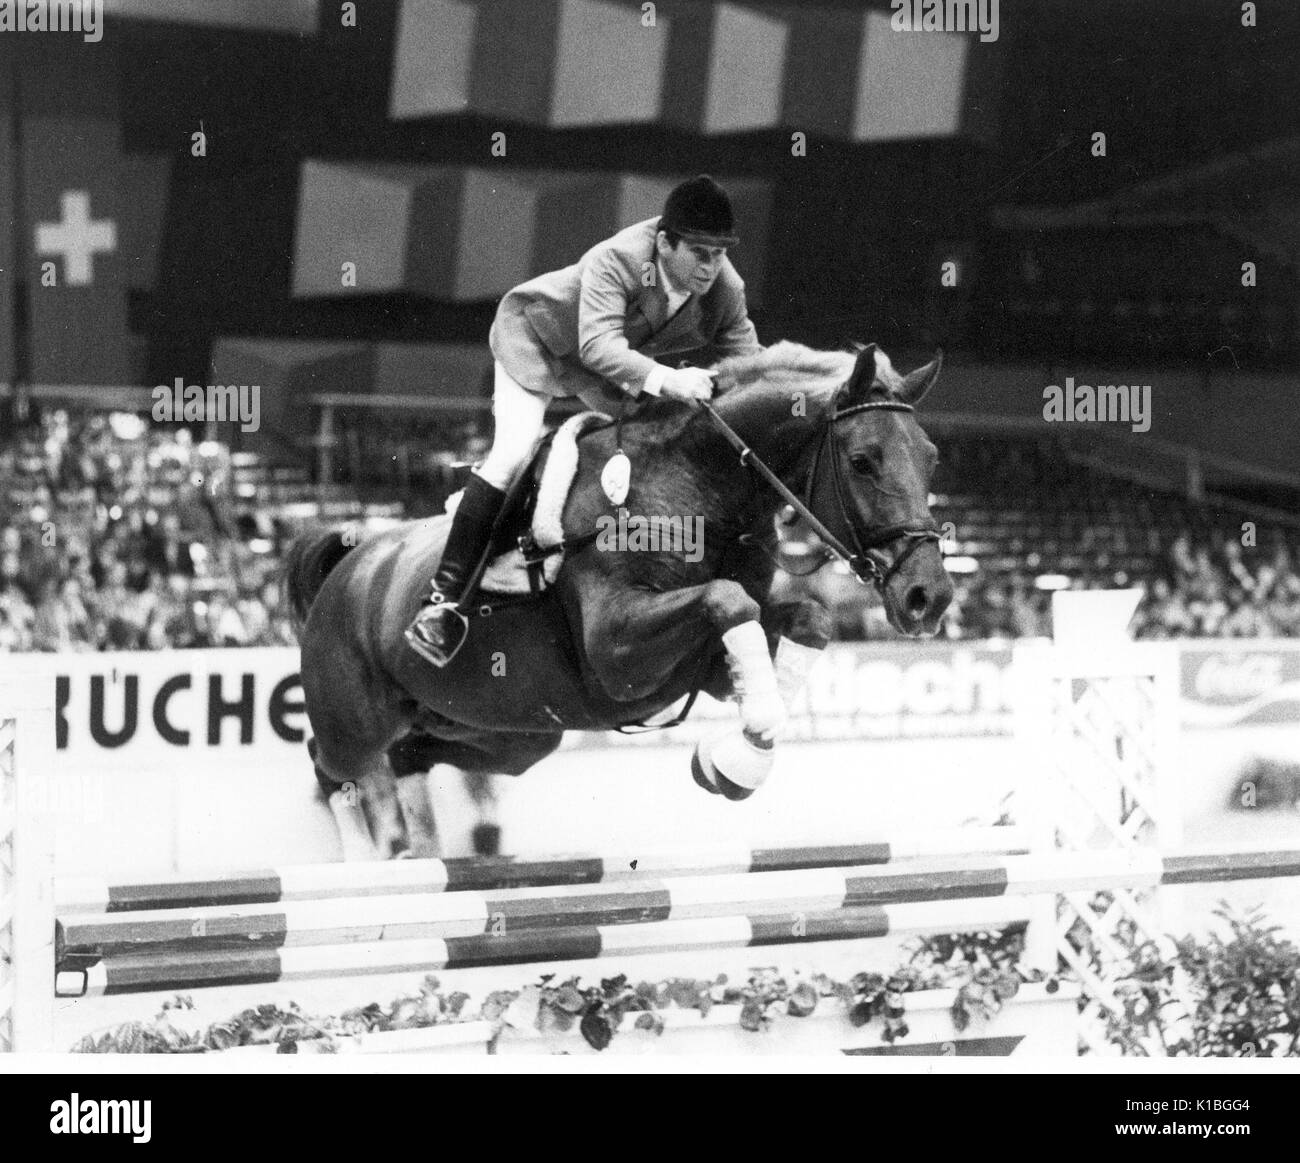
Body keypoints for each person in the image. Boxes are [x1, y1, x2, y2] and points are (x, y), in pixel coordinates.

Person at [406, 174, 763, 666]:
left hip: (607, 376)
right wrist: (669, 379)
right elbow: (596, 345)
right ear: (664, 242)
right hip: (538, 343)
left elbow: (750, 366)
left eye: (720, 253)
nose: (710, 267)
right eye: (700, 252)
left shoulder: (725, 287)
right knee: (514, 451)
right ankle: (443, 603)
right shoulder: (617, 259)